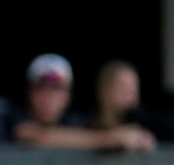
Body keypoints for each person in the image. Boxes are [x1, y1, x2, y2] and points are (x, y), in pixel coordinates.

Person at [11, 54, 155, 152]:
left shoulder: (75, 121)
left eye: (57, 89)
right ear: (29, 92)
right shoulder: (13, 114)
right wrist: (110, 139)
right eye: (40, 87)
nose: (49, 96)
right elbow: (37, 136)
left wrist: (138, 138)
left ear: (68, 95)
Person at [88, 59, 167, 144]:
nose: (132, 92)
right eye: (124, 87)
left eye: (134, 87)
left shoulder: (148, 123)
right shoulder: (88, 123)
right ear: (105, 90)